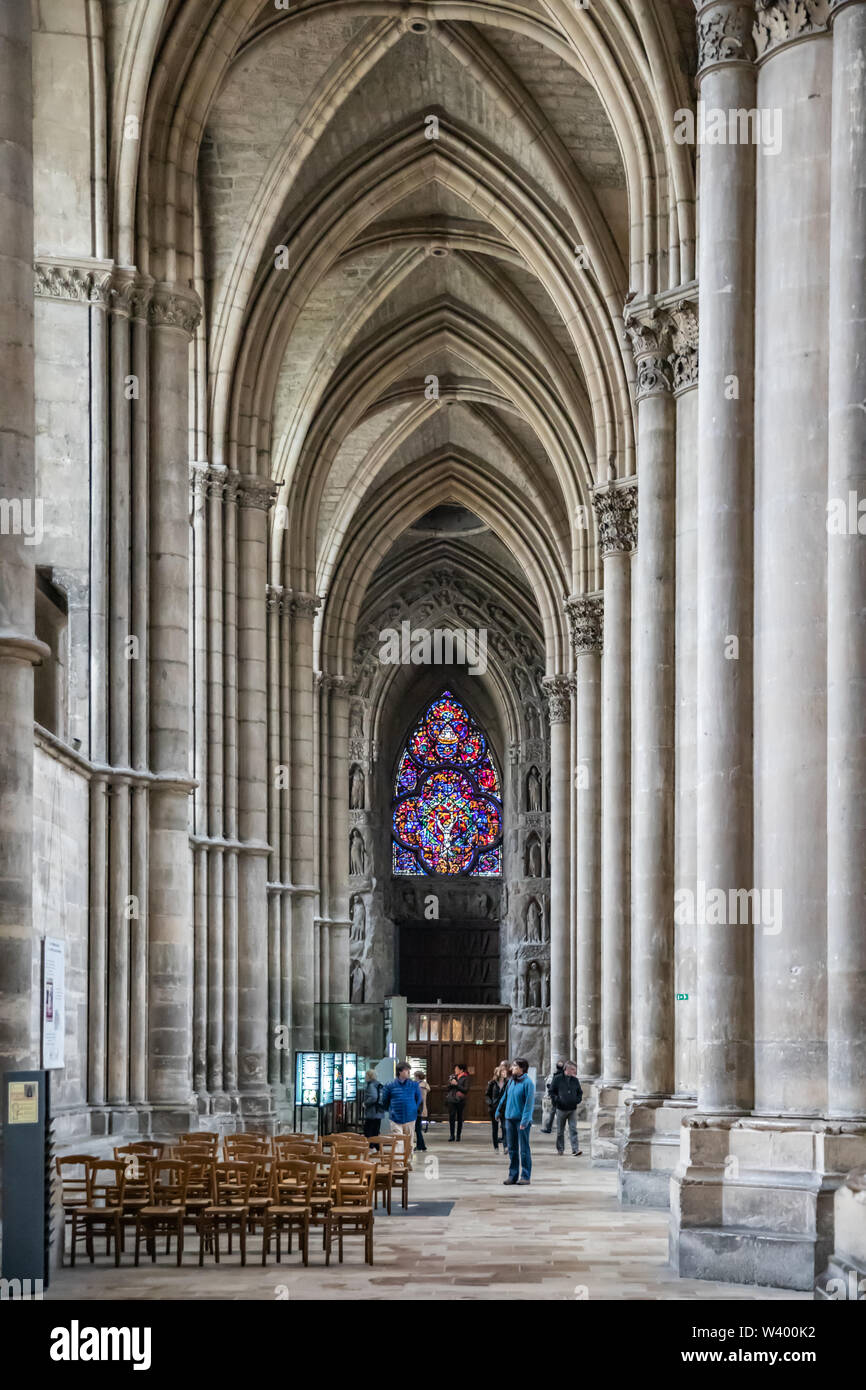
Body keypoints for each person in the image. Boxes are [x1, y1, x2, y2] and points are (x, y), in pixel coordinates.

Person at [496, 1057, 536, 1185]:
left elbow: (528, 1105)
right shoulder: (511, 1082)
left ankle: (525, 1176)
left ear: (522, 1069)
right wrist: (498, 1111)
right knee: (512, 1149)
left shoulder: (528, 1083)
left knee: (524, 1149)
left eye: (515, 1066)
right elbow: (504, 1098)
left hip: (521, 1121)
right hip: (509, 1119)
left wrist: (524, 1121)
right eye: (512, 1066)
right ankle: (512, 1175)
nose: (512, 1068)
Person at [381, 1062, 423, 1152]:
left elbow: (418, 1099)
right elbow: (385, 1100)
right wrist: (390, 1110)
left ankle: (408, 1162)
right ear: (400, 1072)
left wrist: (413, 1108)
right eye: (407, 1070)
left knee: (409, 1143)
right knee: (398, 1142)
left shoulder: (414, 1085)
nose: (409, 1072)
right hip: (395, 1118)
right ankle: (398, 1164)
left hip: (410, 1117)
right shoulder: (390, 1085)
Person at [549, 1061, 583, 1156]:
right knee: (560, 1131)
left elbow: (580, 1092)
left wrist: (577, 1100)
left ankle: (575, 1149)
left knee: (573, 1129)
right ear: (567, 1069)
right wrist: (557, 1100)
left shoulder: (575, 1080)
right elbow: (551, 1091)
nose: (575, 1071)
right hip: (561, 1109)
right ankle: (560, 1149)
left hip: (572, 1109)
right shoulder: (557, 1079)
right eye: (573, 1069)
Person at [485, 1063, 510, 1152]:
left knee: (504, 1127)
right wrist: (490, 1104)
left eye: (505, 1071)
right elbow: (487, 1095)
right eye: (503, 1071)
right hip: (494, 1108)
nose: (505, 1073)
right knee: (495, 1128)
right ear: (499, 1073)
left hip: (504, 1108)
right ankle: (496, 1147)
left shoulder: (508, 1083)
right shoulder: (492, 1083)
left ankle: (505, 1146)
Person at [445, 1061, 470, 1142]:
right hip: (451, 1099)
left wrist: (457, 1084)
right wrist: (450, 1083)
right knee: (451, 1117)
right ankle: (452, 1135)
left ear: (461, 1070)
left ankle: (458, 1135)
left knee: (459, 1118)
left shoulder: (466, 1078)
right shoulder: (453, 1076)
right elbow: (448, 1088)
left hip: (460, 1100)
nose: (455, 1070)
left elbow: (465, 1090)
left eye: (456, 1069)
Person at [541, 1060, 564, 1134]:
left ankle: (551, 1129)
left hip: (557, 1098)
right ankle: (549, 1128)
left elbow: (556, 1086)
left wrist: (550, 1087)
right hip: (557, 1098)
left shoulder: (558, 1076)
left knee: (556, 1114)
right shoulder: (561, 1075)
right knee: (553, 1113)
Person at [362, 1068, 385, 1139]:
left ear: (369, 1076)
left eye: (366, 1075)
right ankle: (376, 1148)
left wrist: (365, 1103)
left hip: (372, 1112)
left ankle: (370, 1147)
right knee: (375, 1132)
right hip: (379, 1111)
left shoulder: (371, 1085)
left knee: (369, 1132)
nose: (365, 1077)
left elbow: (373, 1097)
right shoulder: (378, 1084)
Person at [414, 1070, 430, 1152]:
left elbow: (418, 1098)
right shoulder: (423, 1085)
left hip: (418, 1108)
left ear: (417, 1077)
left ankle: (421, 1146)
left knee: (417, 1129)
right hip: (421, 1108)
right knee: (418, 1129)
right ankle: (421, 1146)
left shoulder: (420, 1086)